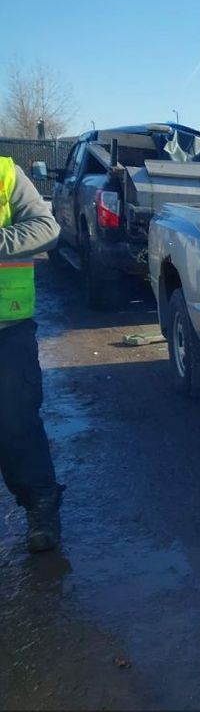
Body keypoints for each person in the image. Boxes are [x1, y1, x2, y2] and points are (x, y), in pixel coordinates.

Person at [0, 156, 63, 552]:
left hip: (7, 329)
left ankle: (41, 507)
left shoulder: (5, 173)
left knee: (16, 423)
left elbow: (46, 227)